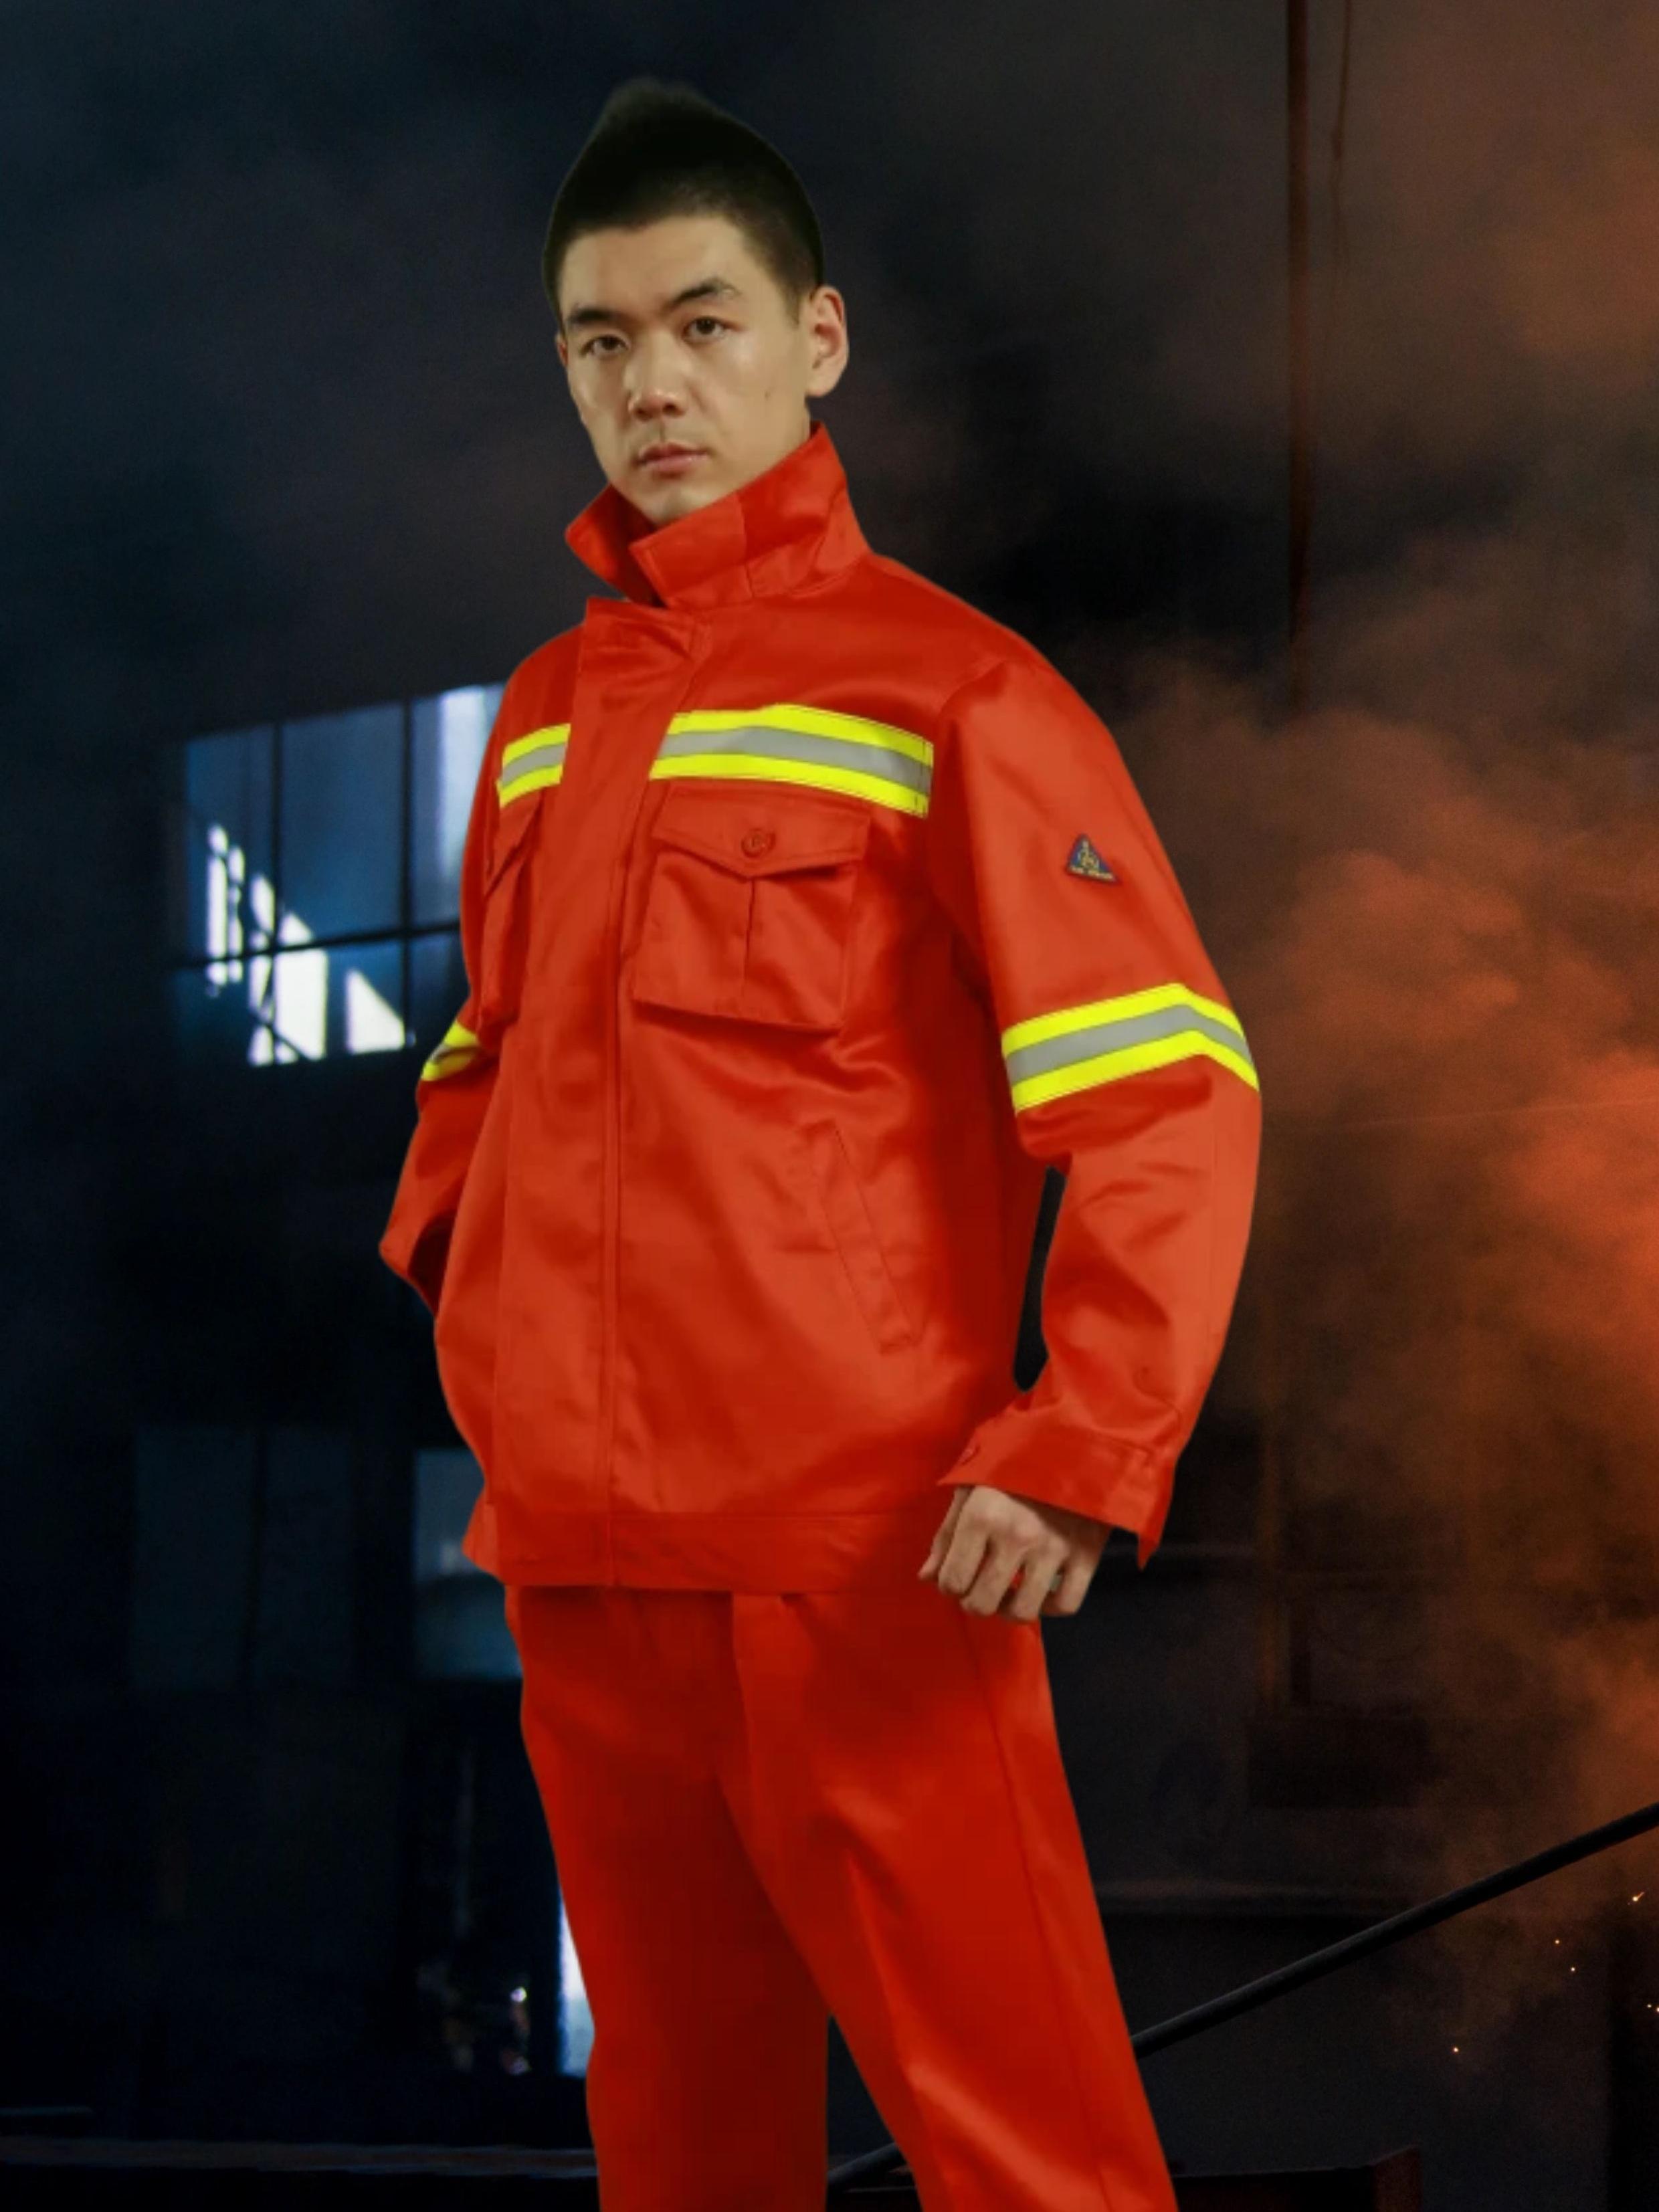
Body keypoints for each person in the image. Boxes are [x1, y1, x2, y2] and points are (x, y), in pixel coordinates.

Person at [381, 73, 1261, 2212]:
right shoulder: (540, 722)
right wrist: (488, 1346)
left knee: (1029, 2159)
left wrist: (1082, 1437)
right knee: (681, 2157)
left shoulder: (958, 695)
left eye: (704, 324)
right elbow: (478, 1068)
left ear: (818, 339)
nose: (653, 384)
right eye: (602, 341)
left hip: (862, 1563)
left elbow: (1169, 1083)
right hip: (581, 1570)